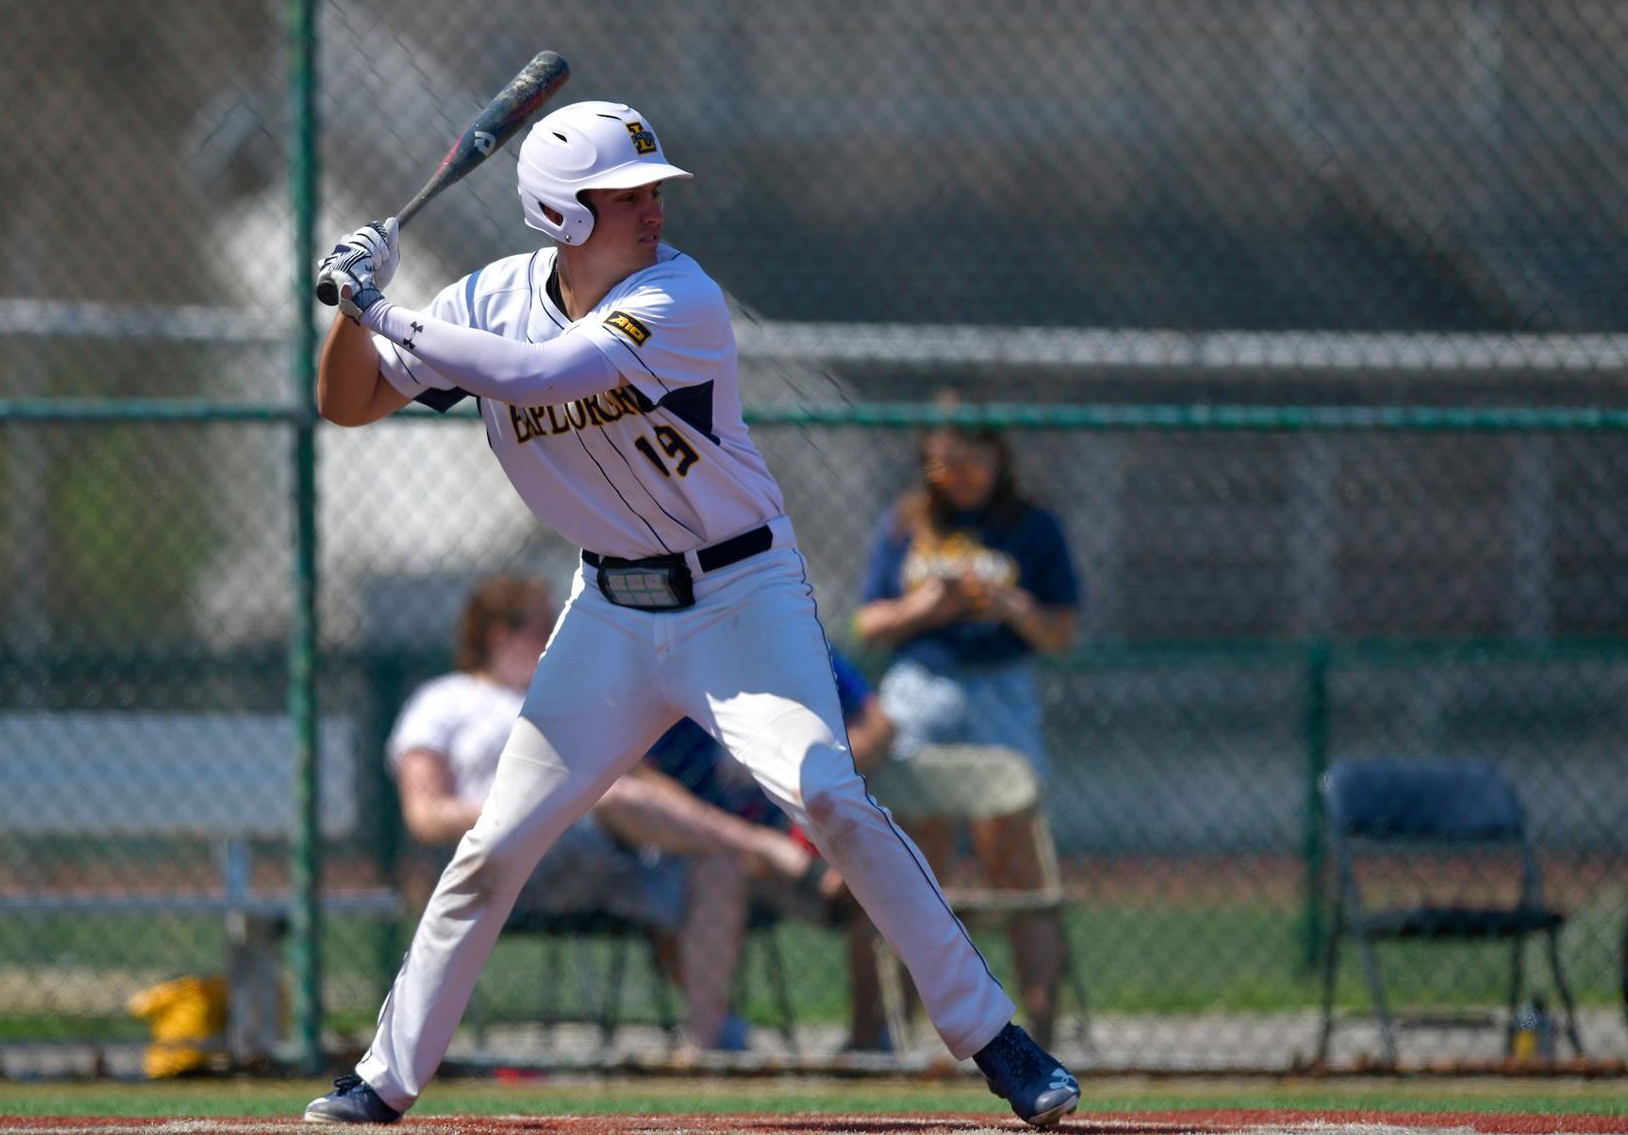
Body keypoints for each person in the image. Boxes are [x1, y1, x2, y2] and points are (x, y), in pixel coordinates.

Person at [302, 99, 1079, 1127]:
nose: (649, 211)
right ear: (561, 216)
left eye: (649, 192)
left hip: (737, 597)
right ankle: (380, 1082)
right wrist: (352, 314)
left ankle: (992, 1036)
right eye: (622, 198)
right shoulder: (485, 300)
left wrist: (391, 307)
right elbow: (347, 402)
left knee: (831, 798)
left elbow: (548, 373)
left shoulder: (681, 297)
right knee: (493, 846)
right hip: (609, 611)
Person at [391, 575, 830, 1054]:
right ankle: (767, 846)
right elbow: (425, 815)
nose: (558, 638)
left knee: (719, 865)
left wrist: (694, 823)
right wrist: (532, 803)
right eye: (544, 628)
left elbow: (641, 780)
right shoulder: (443, 700)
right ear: (501, 636)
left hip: (610, 862)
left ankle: (707, 1044)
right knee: (609, 798)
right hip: (511, 863)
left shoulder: (571, 695)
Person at [852, 412, 1081, 1049]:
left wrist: (1006, 603)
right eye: (946, 462)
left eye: (975, 460)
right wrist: (928, 606)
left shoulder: (1032, 528)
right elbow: (867, 623)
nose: (962, 475)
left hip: (1000, 688)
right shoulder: (907, 522)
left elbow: (1061, 633)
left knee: (1015, 861)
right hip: (922, 686)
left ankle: (1040, 1033)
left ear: (999, 459)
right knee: (904, 860)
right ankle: (877, 1033)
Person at [642, 647, 900, 1053]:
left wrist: (817, 775)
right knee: (717, 872)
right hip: (714, 846)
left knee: (872, 872)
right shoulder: (681, 664)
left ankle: (867, 1043)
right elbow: (642, 774)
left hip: (807, 835)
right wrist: (722, 832)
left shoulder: (797, 642)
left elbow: (880, 728)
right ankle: (712, 1040)